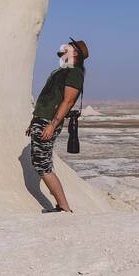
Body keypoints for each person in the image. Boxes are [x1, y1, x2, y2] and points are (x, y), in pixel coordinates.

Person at [26, 38, 87, 212]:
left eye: (70, 46)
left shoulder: (74, 72)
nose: (64, 47)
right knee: (41, 163)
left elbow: (67, 102)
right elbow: (48, 98)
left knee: (42, 165)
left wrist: (52, 124)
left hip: (48, 121)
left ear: (75, 53)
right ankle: (62, 206)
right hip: (42, 119)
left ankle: (64, 208)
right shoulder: (62, 71)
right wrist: (35, 121)